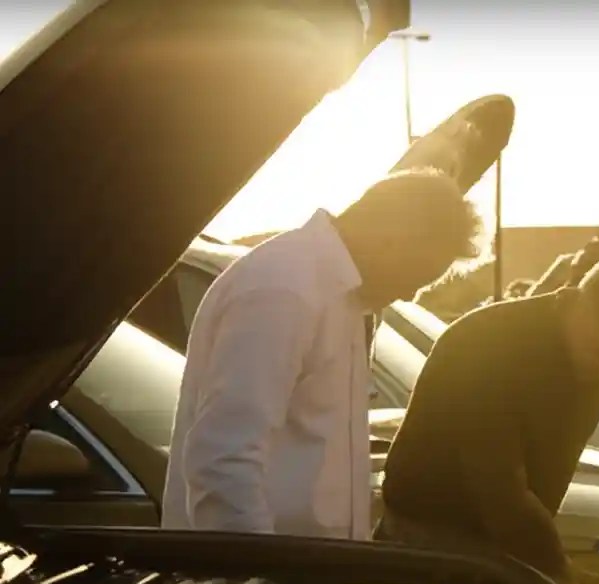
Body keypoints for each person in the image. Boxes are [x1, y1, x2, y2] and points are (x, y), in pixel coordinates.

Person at [162, 170, 481, 539]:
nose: (410, 294)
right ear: (391, 238)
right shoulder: (283, 288)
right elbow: (223, 457)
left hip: (303, 574)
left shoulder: (341, 299)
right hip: (259, 580)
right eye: (418, 274)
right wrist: (255, 578)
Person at [376, 258, 599, 584]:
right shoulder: (489, 345)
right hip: (427, 539)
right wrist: (562, 578)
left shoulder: (585, 356)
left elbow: (546, 480)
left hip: (499, 541)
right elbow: (499, 488)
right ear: (578, 303)